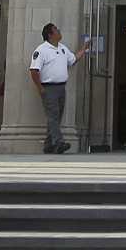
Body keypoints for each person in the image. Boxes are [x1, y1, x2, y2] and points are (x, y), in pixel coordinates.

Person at [29, 23, 90, 155]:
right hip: (49, 88)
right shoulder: (42, 50)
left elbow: (73, 59)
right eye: (56, 30)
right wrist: (40, 88)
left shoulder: (62, 48)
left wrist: (84, 49)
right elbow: (34, 70)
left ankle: (48, 145)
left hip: (61, 87)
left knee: (56, 117)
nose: (59, 31)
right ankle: (58, 142)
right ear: (50, 35)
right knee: (53, 116)